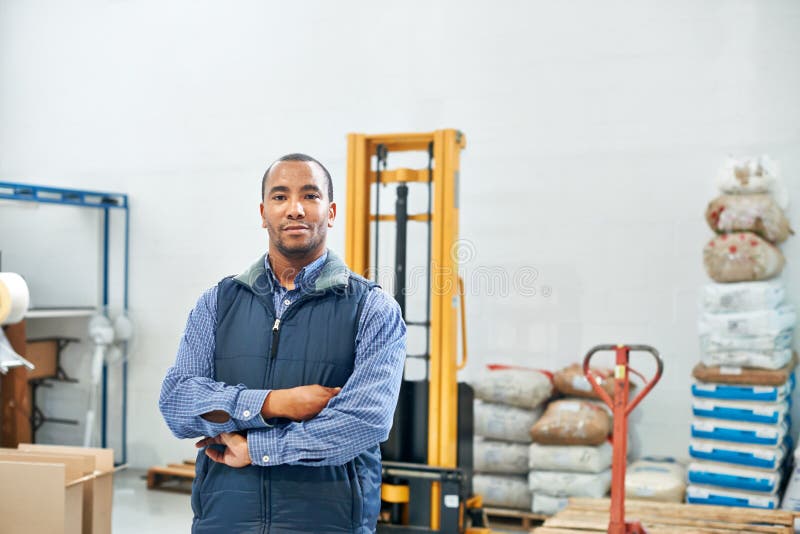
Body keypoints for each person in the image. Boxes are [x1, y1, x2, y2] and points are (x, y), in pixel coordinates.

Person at [159, 153, 407, 533]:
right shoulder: (218, 302)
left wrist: (255, 450)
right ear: (263, 213)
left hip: (326, 524)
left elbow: (363, 422)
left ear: (331, 211)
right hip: (225, 521)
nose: (295, 209)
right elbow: (178, 402)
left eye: (310, 196)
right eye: (280, 197)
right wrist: (273, 403)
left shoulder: (372, 309)